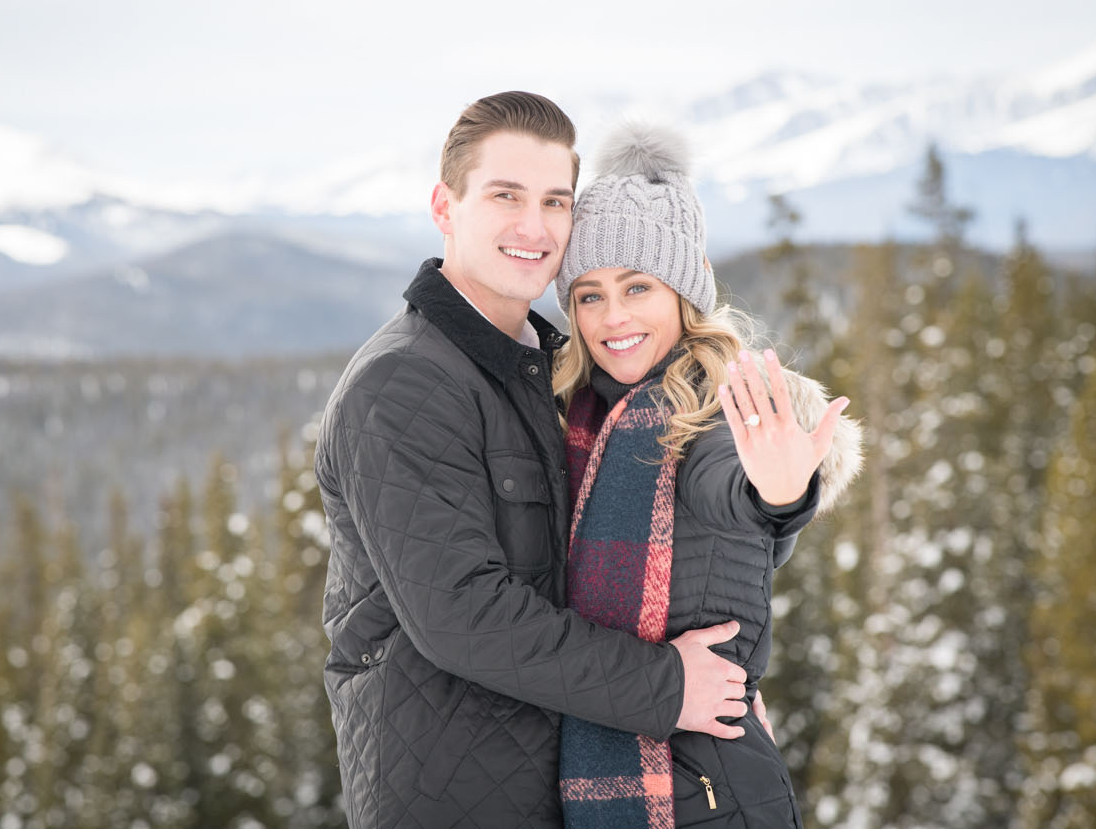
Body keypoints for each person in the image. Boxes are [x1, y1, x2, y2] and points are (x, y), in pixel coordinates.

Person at [315, 92, 772, 828]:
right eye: (506, 196)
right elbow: (462, 614)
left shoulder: (552, 373)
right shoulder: (404, 383)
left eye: (556, 201)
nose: (535, 227)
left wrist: (779, 500)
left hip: (566, 780)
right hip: (459, 793)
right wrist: (668, 687)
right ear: (446, 205)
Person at [550, 121, 864, 827]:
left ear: (684, 294)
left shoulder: (710, 410)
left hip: (701, 791)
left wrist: (780, 491)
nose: (613, 317)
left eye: (638, 287)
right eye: (590, 295)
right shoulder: (579, 417)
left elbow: (733, 489)